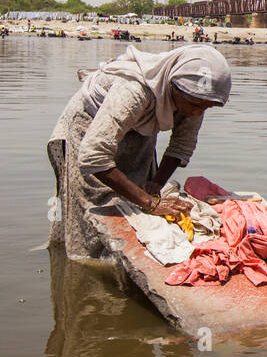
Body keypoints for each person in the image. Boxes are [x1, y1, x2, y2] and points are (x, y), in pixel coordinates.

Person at [47, 44, 232, 260]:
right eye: (195, 104)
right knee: (92, 208)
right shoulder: (135, 89)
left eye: (206, 107)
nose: (197, 111)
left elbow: (182, 145)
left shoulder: (192, 99)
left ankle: (126, 259)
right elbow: (93, 155)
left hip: (140, 132)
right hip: (89, 129)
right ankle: (86, 266)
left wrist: (155, 186)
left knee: (138, 199)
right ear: (173, 87)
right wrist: (150, 202)